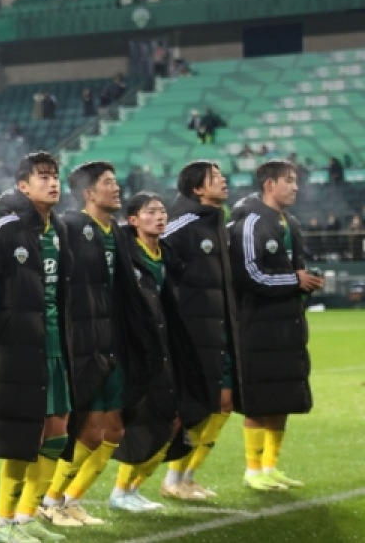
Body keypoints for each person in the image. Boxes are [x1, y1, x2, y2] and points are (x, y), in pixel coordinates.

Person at [42, 162, 158, 523]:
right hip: (85, 344)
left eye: (116, 180)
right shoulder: (72, 228)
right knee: (89, 430)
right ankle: (50, 500)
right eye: (108, 183)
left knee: (114, 430)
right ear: (89, 193)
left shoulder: (119, 234)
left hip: (113, 344)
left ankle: (72, 499)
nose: (117, 188)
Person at [0, 152, 72, 543]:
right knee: (23, 435)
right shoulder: (5, 229)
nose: (53, 183)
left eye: (55, 176)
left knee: (57, 432)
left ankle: (28, 515)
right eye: (43, 177)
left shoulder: (59, 230)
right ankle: (5, 522)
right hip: (17, 346)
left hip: (53, 344)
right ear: (22, 186)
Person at [107, 192, 208, 510]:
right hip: (135, 353)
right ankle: (113, 492)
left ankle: (131, 489)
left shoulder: (166, 255)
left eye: (163, 211)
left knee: (173, 422)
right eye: (151, 212)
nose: (160, 216)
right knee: (137, 423)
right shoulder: (125, 255)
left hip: (164, 349)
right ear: (133, 220)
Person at [228, 160, 322, 491]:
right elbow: (249, 275)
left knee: (282, 397)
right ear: (269, 184)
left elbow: (295, 268)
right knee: (260, 396)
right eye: (288, 181)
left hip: (288, 323)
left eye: (296, 181)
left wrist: (307, 281)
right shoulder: (251, 222)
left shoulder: (289, 222)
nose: (295, 187)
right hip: (258, 323)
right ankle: (253, 470)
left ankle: (271, 467)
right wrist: (294, 280)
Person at [159, 160, 235, 500]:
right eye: (215, 178)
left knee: (221, 406)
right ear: (197, 189)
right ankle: (164, 481)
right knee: (193, 408)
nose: (223, 181)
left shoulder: (216, 221)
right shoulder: (184, 224)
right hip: (192, 334)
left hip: (217, 331)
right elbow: (150, 252)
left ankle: (186, 477)